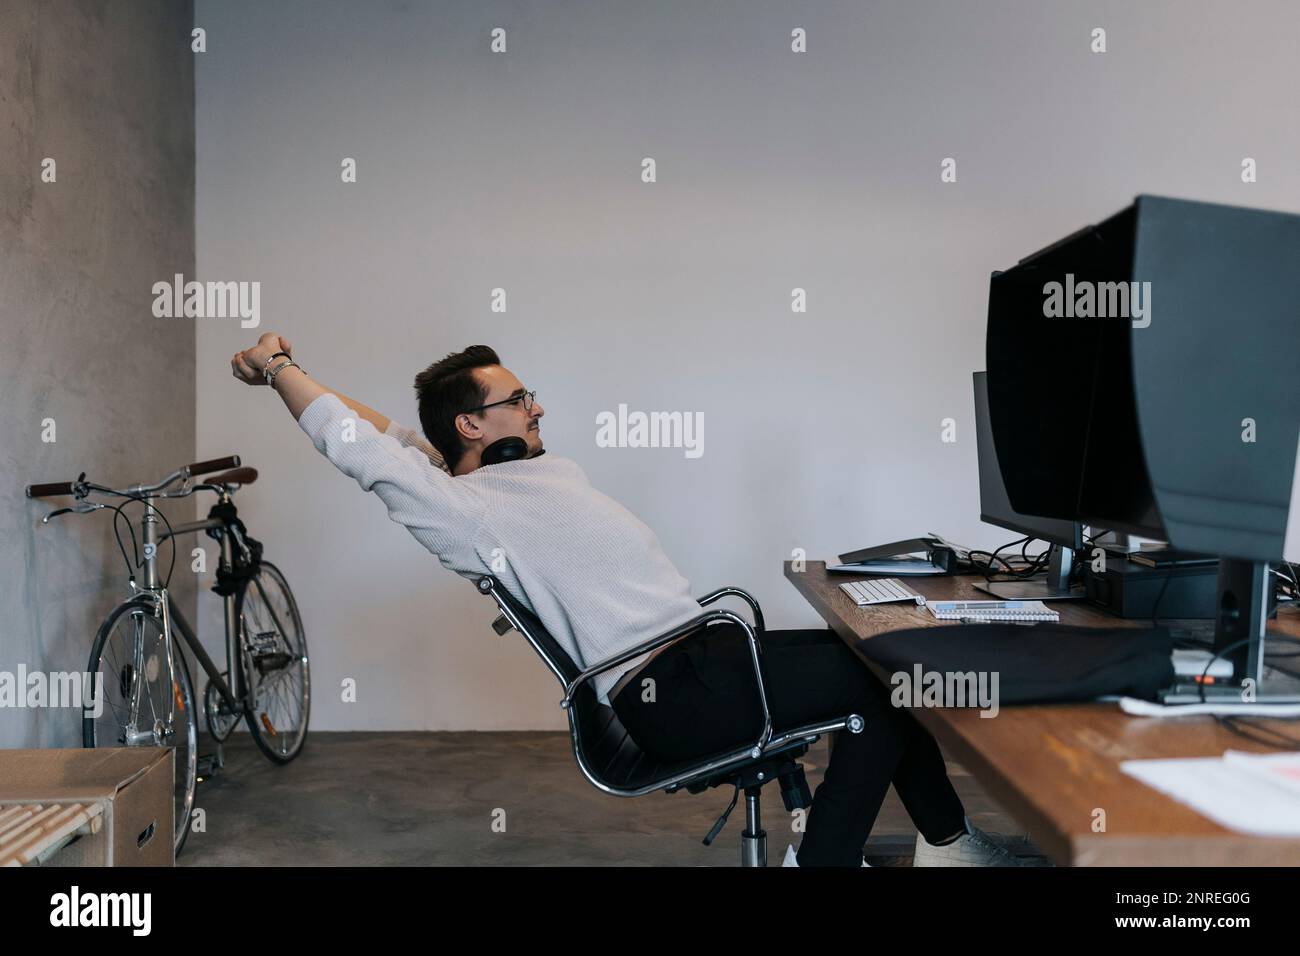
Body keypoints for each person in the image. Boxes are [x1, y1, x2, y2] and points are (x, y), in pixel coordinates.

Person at [231, 332, 1023, 867]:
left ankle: (949, 844)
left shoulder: (493, 476)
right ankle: (875, 856)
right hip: (672, 692)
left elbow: (392, 435)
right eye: (518, 399)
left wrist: (297, 360)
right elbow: (358, 450)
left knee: (878, 657)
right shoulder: (465, 509)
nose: (536, 406)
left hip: (703, 658)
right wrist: (273, 367)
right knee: (880, 698)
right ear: (476, 424)